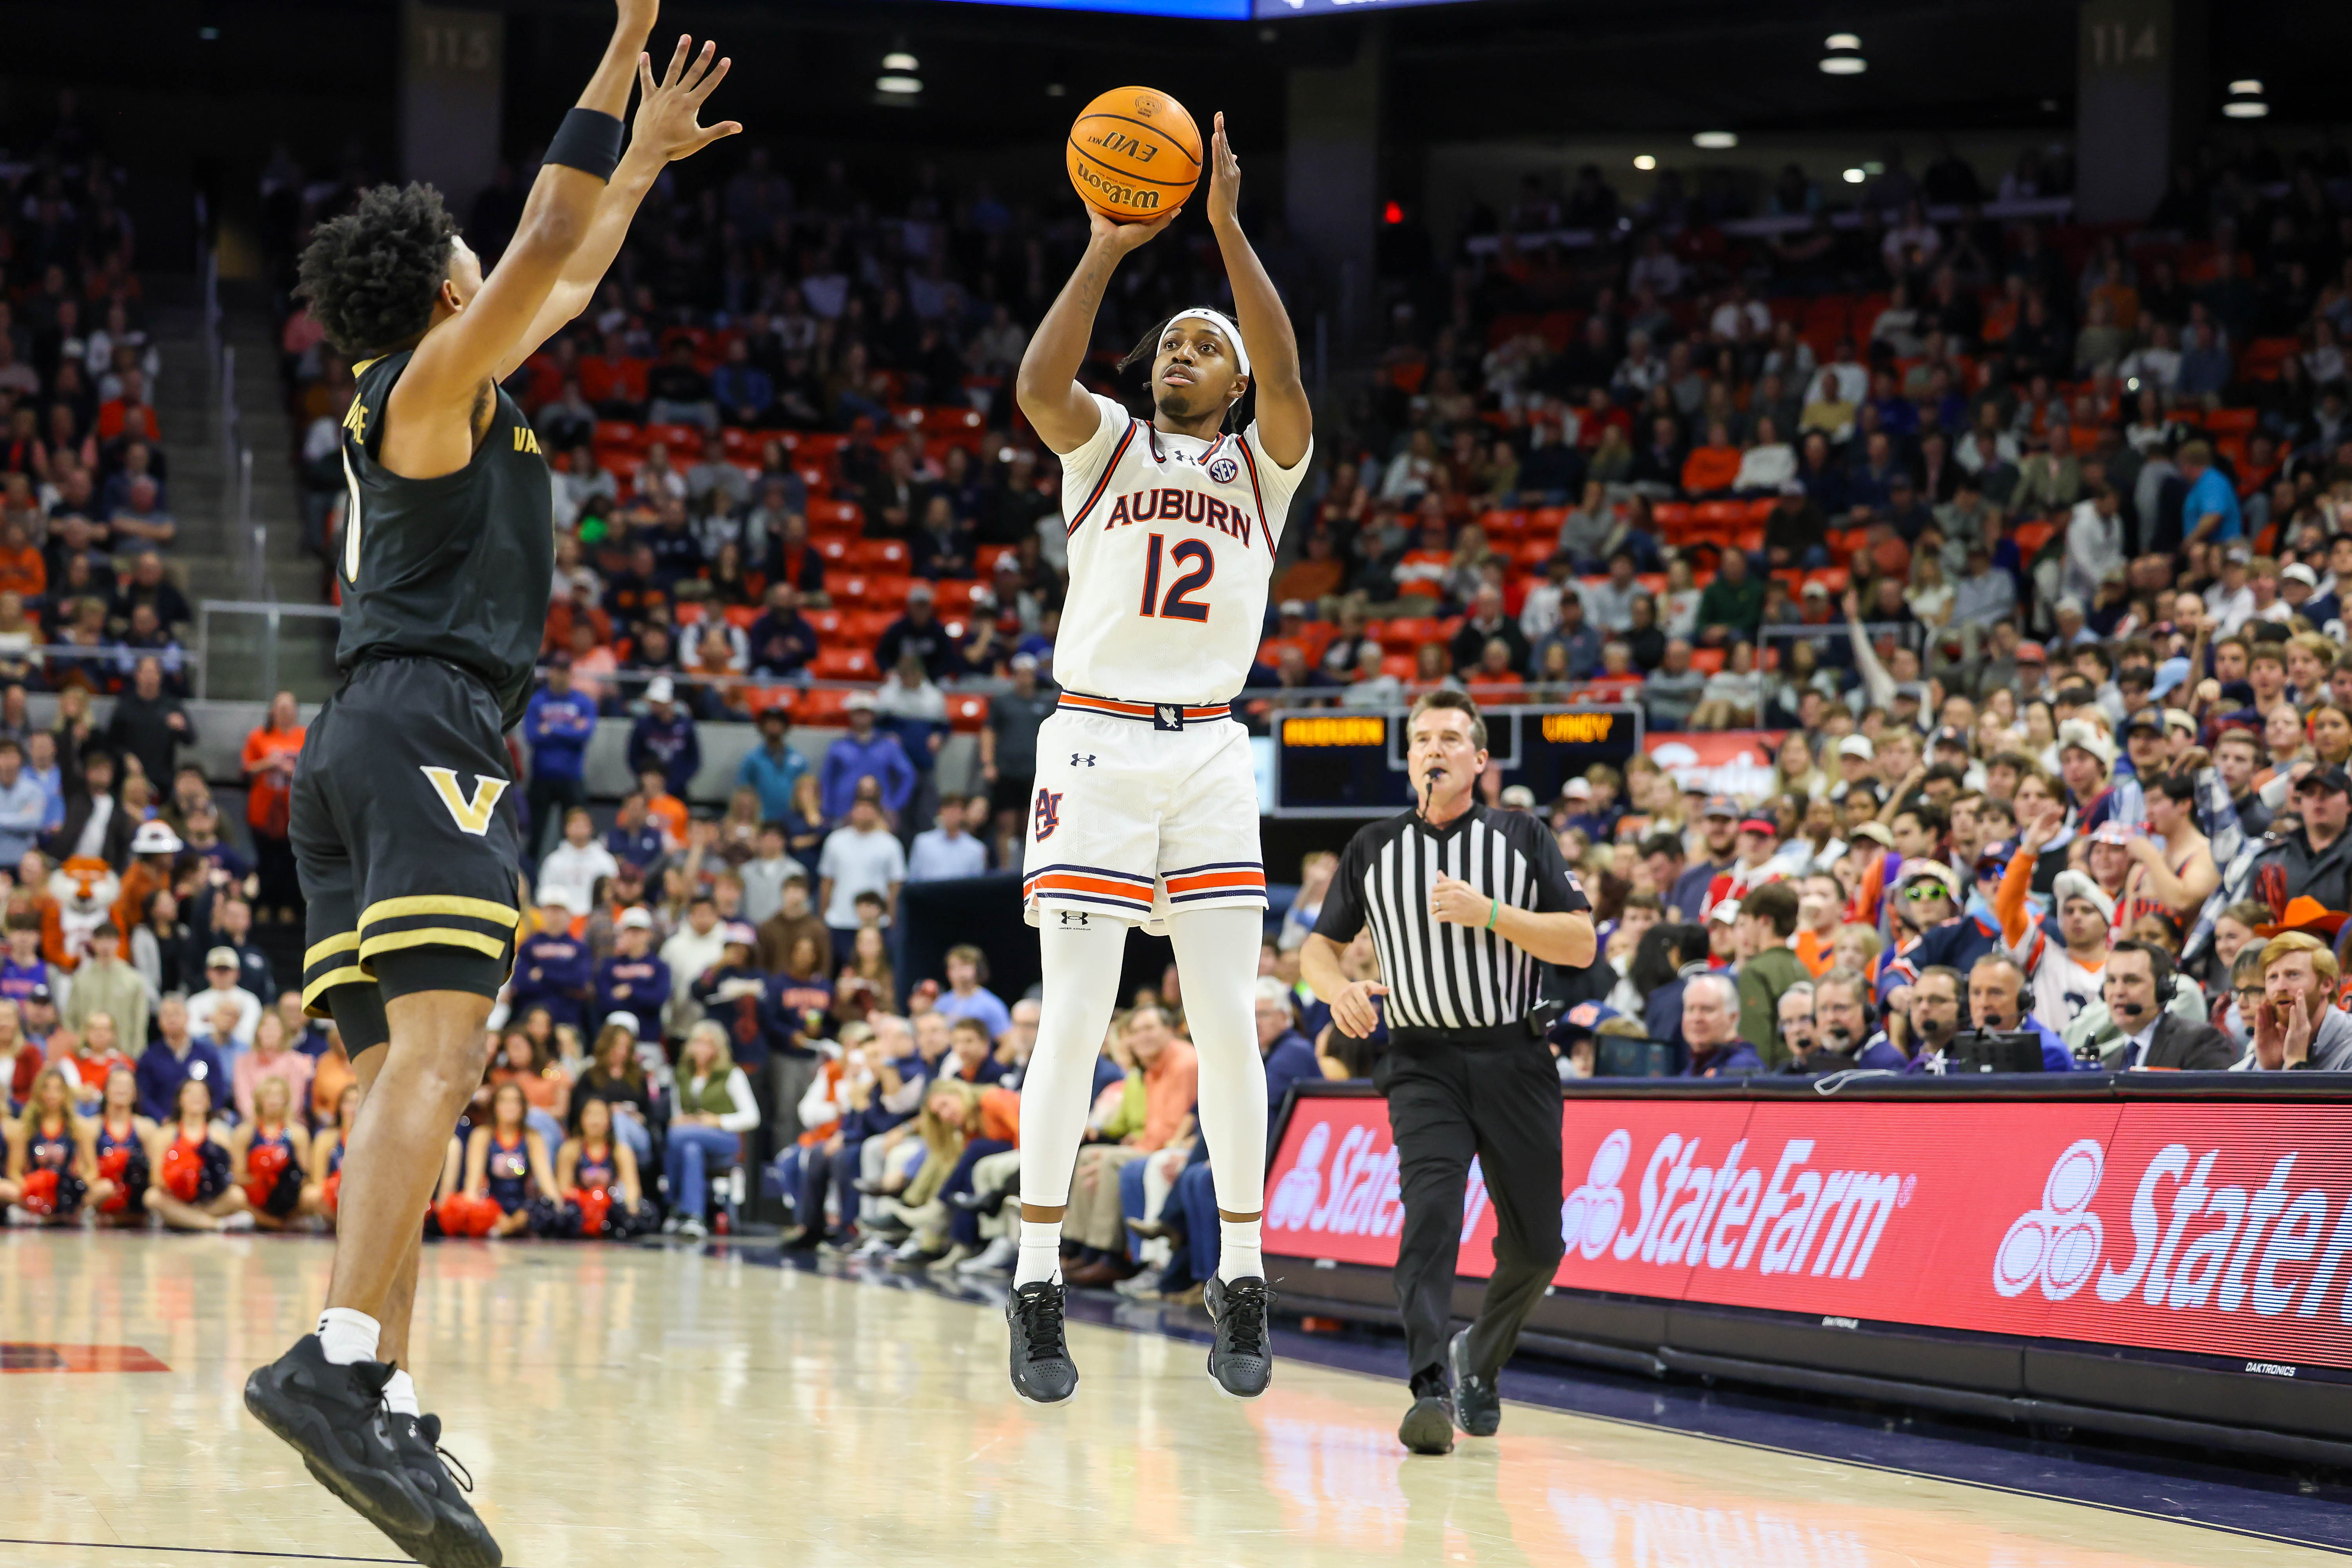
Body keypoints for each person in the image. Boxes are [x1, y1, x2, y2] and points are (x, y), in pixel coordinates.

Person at [241, 19, 742, 1563]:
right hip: (421, 726)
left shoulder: (439, 384)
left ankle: (374, 1386)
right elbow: (544, 231)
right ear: (448, 288)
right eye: (479, 257)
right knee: (444, 1067)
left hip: (362, 737)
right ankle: (331, 1364)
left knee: (404, 1078)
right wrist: (620, 54)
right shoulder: (429, 383)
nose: (501, 264)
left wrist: (643, 169)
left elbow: (570, 267)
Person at [1006, 108, 1314, 1409]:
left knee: (1229, 1020)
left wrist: (1232, 231)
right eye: (1171, 344)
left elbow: (1295, 380)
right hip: (1095, 737)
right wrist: (1103, 249)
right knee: (1074, 1015)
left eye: (1206, 347)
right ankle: (1034, 1279)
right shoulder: (1108, 442)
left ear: (1234, 387)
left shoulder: (1265, 463)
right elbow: (1035, 382)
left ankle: (1244, 1274)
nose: (1181, 354)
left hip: (1208, 756)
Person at [1299, 690, 1595, 1455]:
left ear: (1480, 760)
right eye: (1421, 738)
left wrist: (1490, 913)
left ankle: (1478, 1356)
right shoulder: (1372, 846)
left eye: (1450, 738)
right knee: (1430, 1214)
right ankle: (1429, 1383)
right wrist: (1339, 993)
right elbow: (1318, 948)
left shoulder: (1522, 835)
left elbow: (1580, 943)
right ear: (1410, 758)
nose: (1434, 748)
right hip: (1421, 1059)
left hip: (1515, 1056)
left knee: (1537, 1246)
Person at [663, 1019, 758, 1241]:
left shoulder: (732, 1075)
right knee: (690, 1149)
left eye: (709, 1043)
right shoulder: (682, 1075)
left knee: (676, 1137)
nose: (702, 1048)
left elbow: (752, 1117)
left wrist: (717, 1121)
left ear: (718, 1048)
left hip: (725, 1140)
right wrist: (683, 1120)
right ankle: (694, 1218)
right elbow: (677, 1114)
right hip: (690, 1138)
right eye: (698, 1042)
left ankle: (673, 1204)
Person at [439, 1080, 559, 1239]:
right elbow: (472, 1185)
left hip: (524, 1209)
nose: (510, 1106)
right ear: (495, 1106)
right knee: (463, 1209)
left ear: (523, 1107)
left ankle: (510, 1228)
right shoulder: (482, 1135)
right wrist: (480, 1211)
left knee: (549, 1209)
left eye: (515, 1101)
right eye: (504, 1101)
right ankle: (507, 1228)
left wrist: (558, 1207)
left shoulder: (532, 1137)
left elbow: (546, 1180)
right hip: (492, 1207)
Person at [2101, 940, 2232, 1069]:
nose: (2118, 992)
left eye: (2132, 981)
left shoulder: (2200, 1041)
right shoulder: (2112, 1063)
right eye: (2111, 981)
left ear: (2162, 990)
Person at [147, 1077, 253, 1232]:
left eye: (202, 1094)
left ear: (210, 1102)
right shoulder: (165, 1135)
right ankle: (216, 1224)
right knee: (152, 1197)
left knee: (238, 1196)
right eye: (189, 1093)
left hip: (209, 1201)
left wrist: (208, 1185)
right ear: (179, 1100)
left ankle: (184, 1220)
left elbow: (232, 1176)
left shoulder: (221, 1136)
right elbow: (156, 1179)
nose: (196, 1098)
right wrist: (181, 1181)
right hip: (176, 1198)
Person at [2244, 931, 2352, 1071]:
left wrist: (2296, 1064)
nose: (2280, 987)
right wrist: (2271, 1069)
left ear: (2326, 984)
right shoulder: (2267, 1043)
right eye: (2273, 977)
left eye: (2293, 975)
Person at [554, 1095, 656, 1238]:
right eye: (590, 1115)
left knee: (644, 1213)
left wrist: (630, 1207)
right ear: (581, 1119)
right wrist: (588, 1202)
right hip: (581, 1209)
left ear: (609, 1121)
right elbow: (564, 1188)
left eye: (600, 1115)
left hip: (611, 1209)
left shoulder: (621, 1150)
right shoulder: (571, 1149)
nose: (595, 1122)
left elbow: (632, 1187)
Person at [241, 690, 305, 918]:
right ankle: (264, 906)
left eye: (290, 707)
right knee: (266, 862)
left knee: (292, 862)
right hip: (264, 813)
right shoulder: (259, 736)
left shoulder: (305, 736)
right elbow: (247, 769)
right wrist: (270, 763)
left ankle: (290, 907)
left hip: (295, 813)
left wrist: (293, 770)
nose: (286, 712)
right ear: (272, 711)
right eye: (281, 708)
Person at [1733, 882, 1807, 1066]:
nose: (1745, 931)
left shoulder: (1755, 972)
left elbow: (1756, 1044)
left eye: (1748, 922)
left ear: (1764, 921)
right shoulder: (1802, 967)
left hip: (1771, 1083)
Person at [231, 1074, 315, 1230]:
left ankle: (286, 1220)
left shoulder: (298, 1134)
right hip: (255, 1195)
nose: (274, 1101)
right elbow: (237, 1175)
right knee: (235, 1195)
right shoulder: (245, 1133)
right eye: (269, 1095)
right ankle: (272, 1223)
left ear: (286, 1101)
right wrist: (262, 1179)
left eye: (279, 1096)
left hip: (289, 1197)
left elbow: (306, 1176)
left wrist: (284, 1182)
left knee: (310, 1194)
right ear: (259, 1100)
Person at [1677, 973, 1763, 1076]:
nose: (1697, 1018)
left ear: (1732, 1017)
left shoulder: (1743, 1069)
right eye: (1690, 1009)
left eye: (1707, 1009)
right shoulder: (1692, 1069)